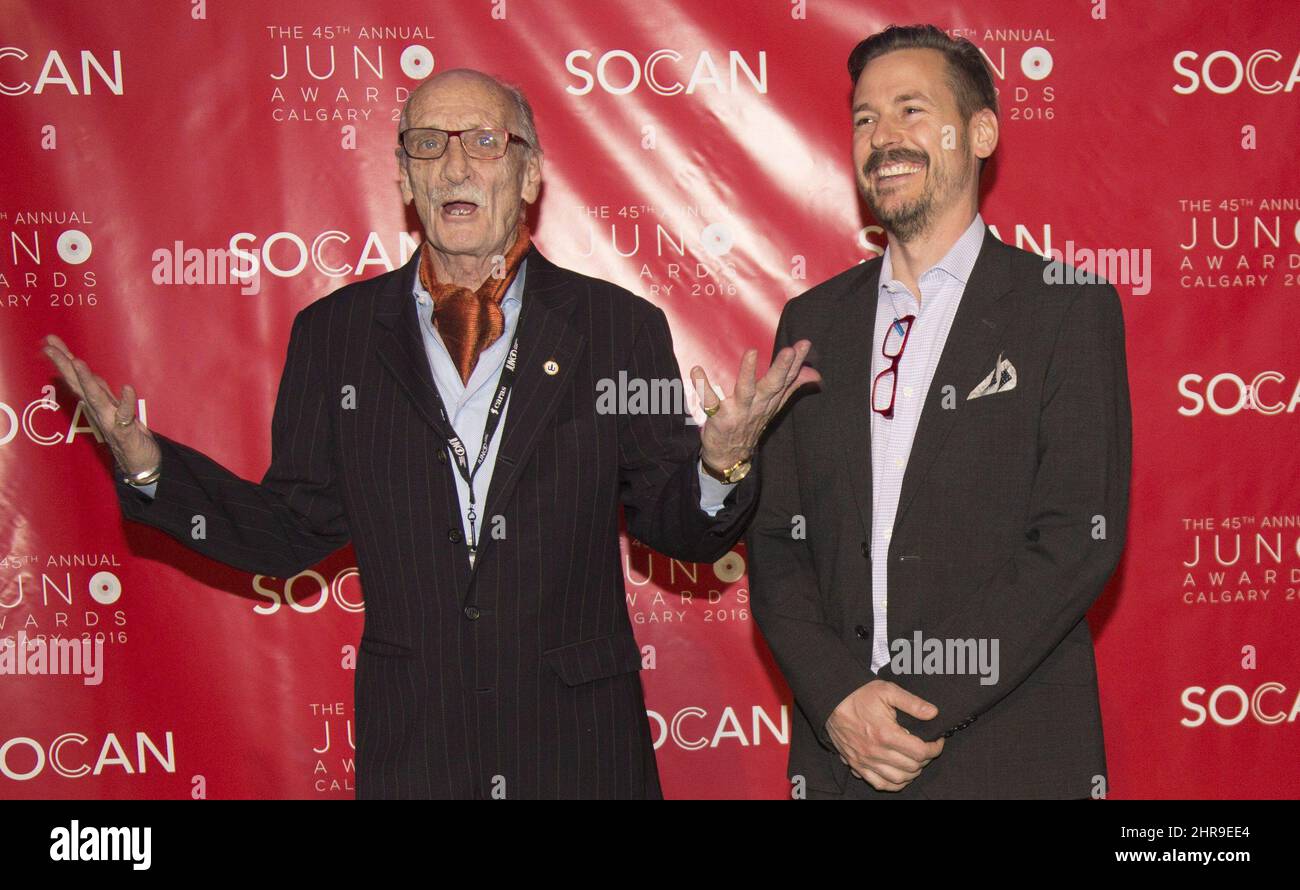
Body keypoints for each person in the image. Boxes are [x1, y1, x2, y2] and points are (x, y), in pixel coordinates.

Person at [41, 68, 817, 800]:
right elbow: (289, 529)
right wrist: (150, 470)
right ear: (405, 179)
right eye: (427, 143)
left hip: (579, 745)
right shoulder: (335, 336)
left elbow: (671, 526)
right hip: (417, 747)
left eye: (484, 142)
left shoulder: (617, 329)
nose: (454, 166)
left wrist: (720, 461)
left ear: (531, 175)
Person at [747, 25, 1131, 799]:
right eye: (863, 119)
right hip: (840, 758)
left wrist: (907, 707)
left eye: (911, 109)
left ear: (980, 132)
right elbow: (776, 540)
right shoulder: (810, 321)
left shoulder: (1066, 309)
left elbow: (1074, 541)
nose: (883, 137)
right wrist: (841, 701)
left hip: (1006, 755)